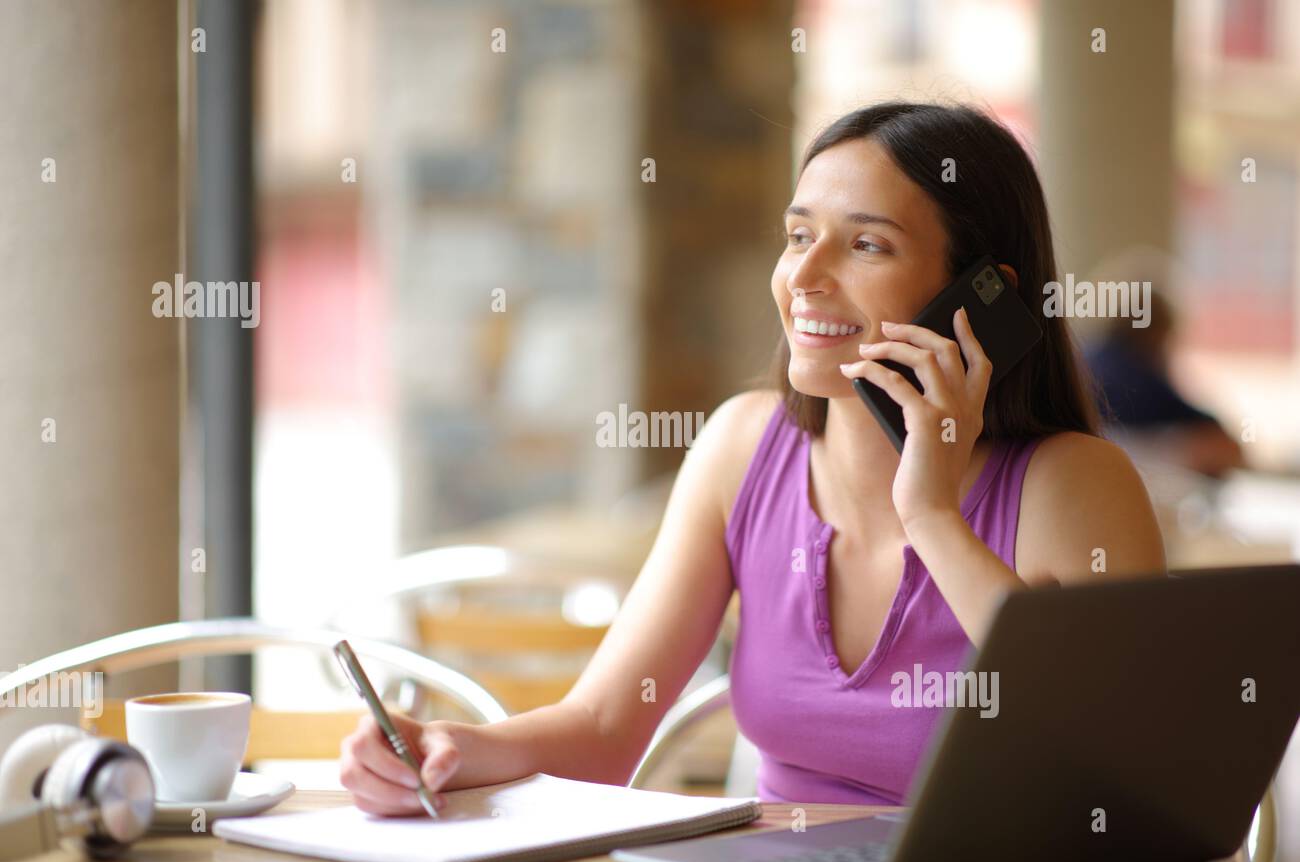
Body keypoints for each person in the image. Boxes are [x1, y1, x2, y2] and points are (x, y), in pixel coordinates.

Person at [339, 101, 1166, 814]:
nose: (804, 274)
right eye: (798, 235)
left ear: (981, 297)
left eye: (866, 245)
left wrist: (934, 516)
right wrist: (447, 749)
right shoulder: (742, 448)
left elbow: (1117, 774)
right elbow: (604, 727)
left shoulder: (1073, 487)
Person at [1085, 289, 1245, 479]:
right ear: (1154, 331)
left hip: (1107, 449)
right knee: (1213, 447)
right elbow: (1177, 411)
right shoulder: (1128, 370)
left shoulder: (1097, 355)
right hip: (1119, 450)